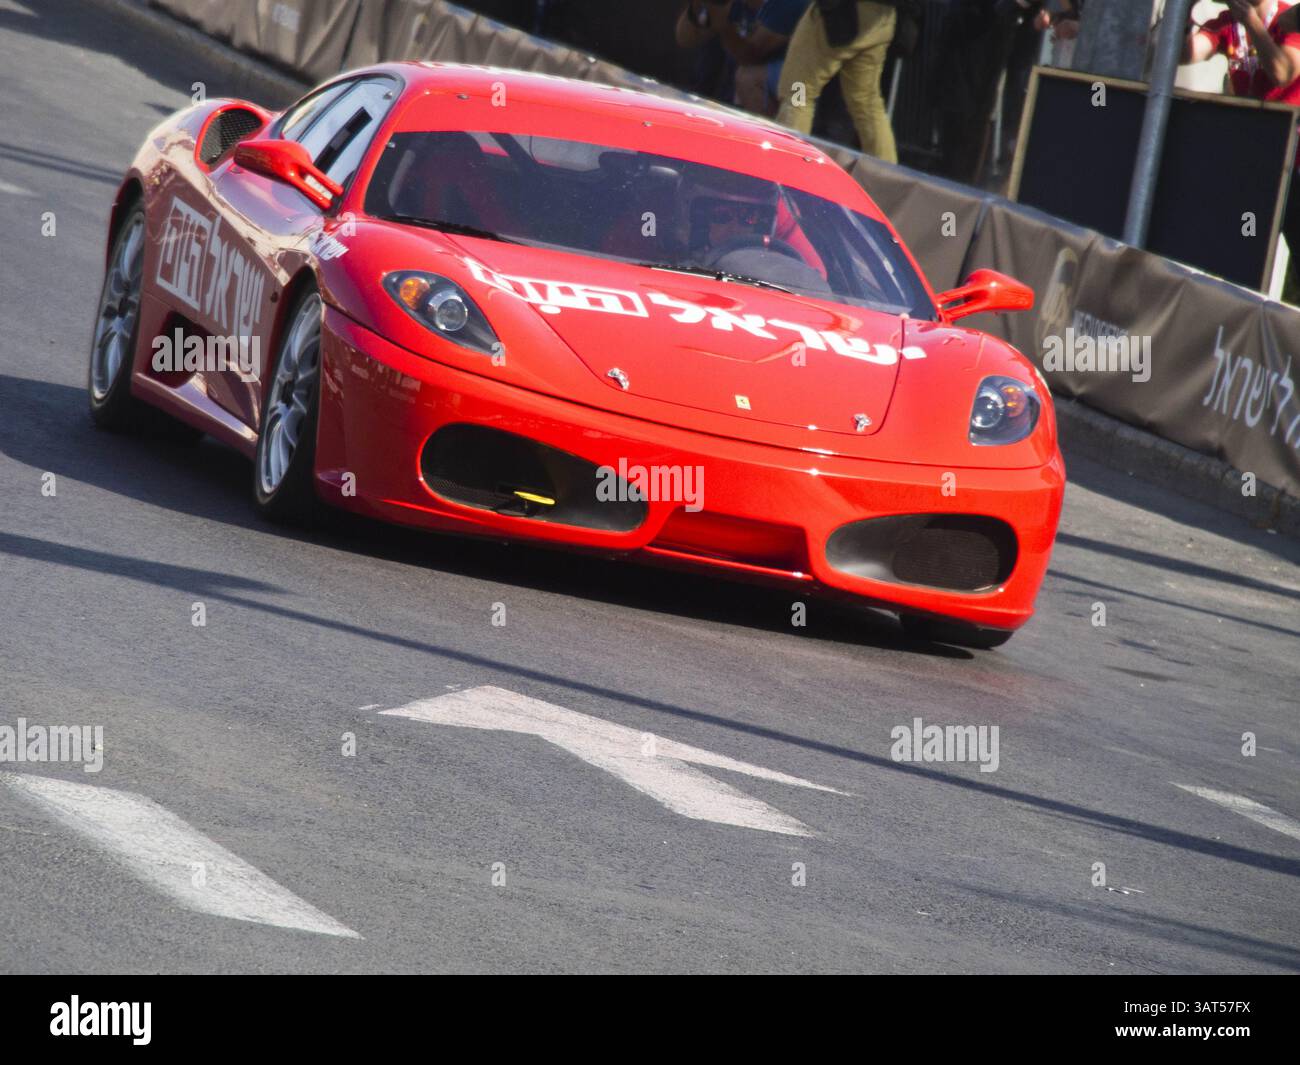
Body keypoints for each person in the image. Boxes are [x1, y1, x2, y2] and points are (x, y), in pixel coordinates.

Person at [774, 1, 900, 163]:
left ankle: (786, 166)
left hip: (840, 11)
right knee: (867, 103)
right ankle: (887, 176)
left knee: (798, 91)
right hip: (883, 16)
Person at [677, 1, 808, 114]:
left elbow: (751, 56)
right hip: (738, 88)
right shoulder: (734, 4)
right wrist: (697, 7)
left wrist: (723, 26)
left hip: (799, 86)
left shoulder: (790, 3)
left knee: (747, 78)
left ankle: (774, 138)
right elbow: (684, 39)